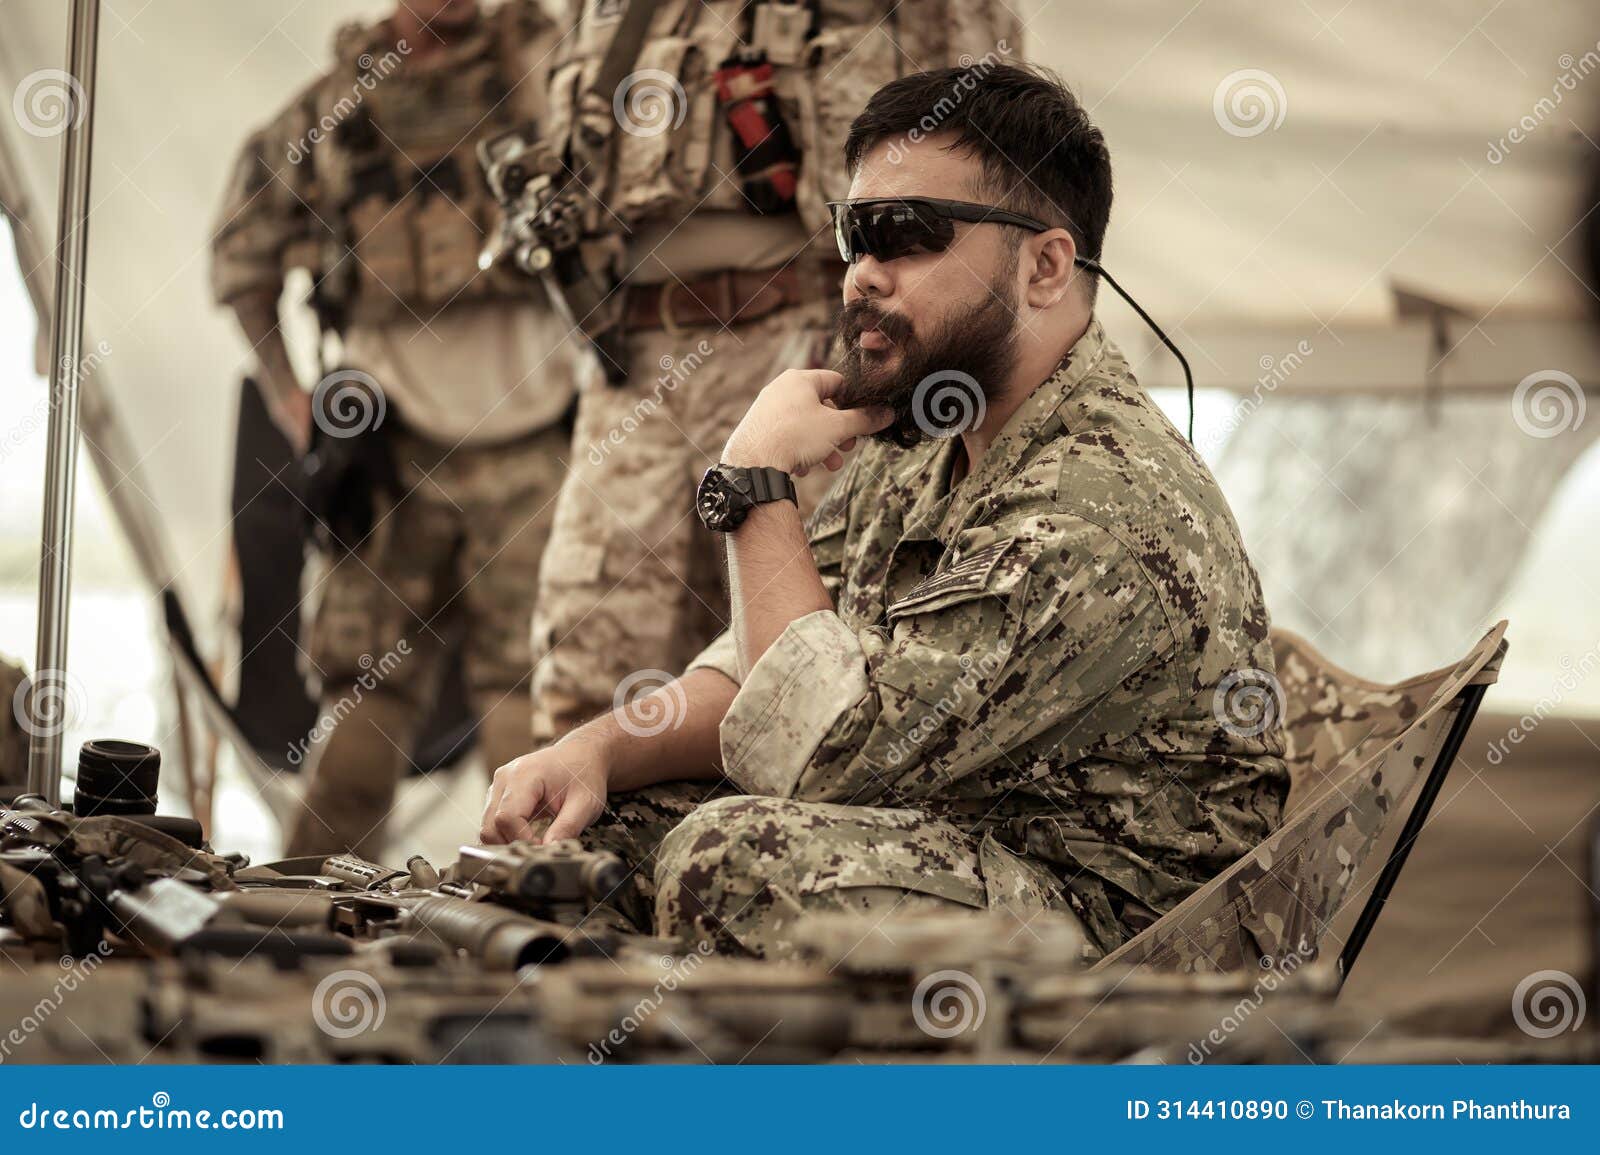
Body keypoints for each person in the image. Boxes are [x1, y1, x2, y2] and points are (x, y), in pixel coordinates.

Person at [480, 64, 1290, 961]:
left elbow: (818, 756)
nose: (860, 275)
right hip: (954, 842)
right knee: (584, 844)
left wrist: (755, 481)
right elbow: (769, 672)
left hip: (1123, 938)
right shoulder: (935, 433)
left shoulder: (1100, 502)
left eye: (905, 233)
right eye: (852, 233)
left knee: (733, 859)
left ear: (1046, 266)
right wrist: (596, 749)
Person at [524, 0, 1024, 743]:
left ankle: (753, 851)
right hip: (632, 361)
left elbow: (989, 162)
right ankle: (576, 848)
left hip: (814, 340)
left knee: (798, 655)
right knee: (586, 660)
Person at [210, 0, 593, 859]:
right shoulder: (335, 110)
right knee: (363, 706)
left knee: (527, 699)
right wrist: (288, 393)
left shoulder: (552, 78)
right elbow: (241, 254)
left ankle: (536, 918)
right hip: (392, 459)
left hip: (535, 445)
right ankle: (305, 924)